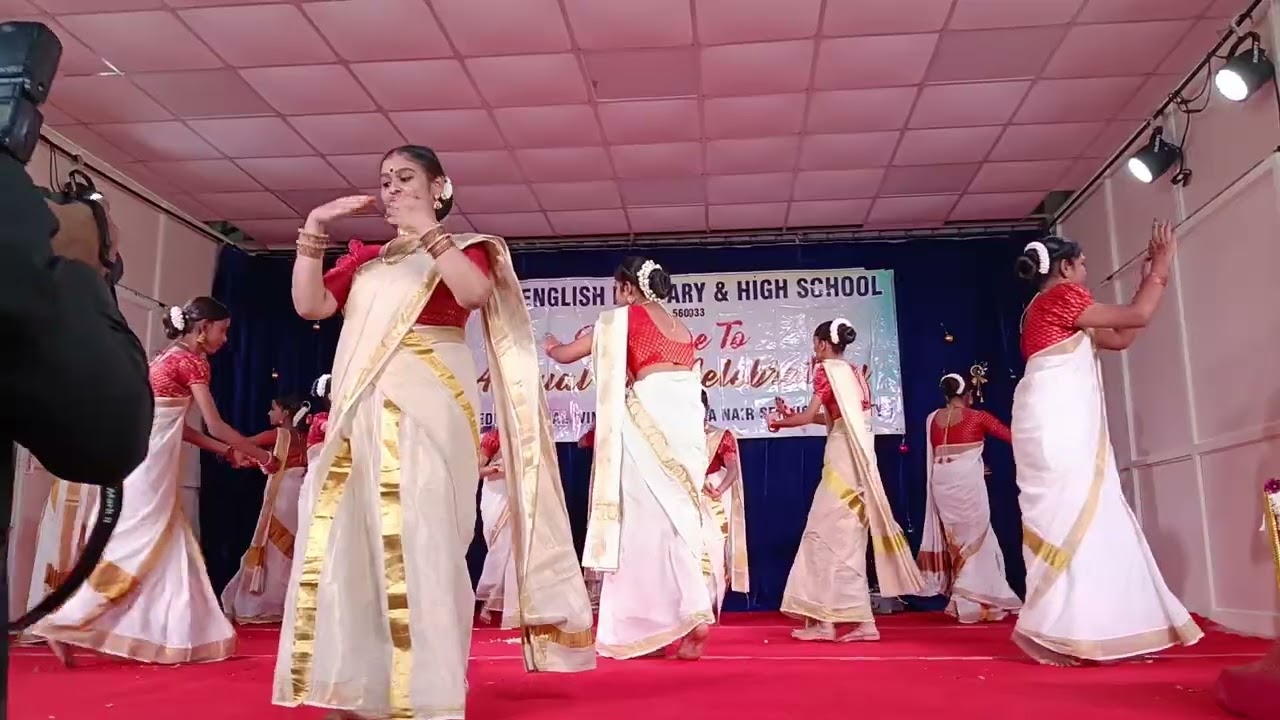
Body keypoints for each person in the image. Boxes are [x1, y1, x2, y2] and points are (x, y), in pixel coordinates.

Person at [279, 145, 593, 720]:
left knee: (422, 541)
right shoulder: (367, 262)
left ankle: (423, 692)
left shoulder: (466, 250)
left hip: (430, 411)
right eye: (385, 180)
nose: (393, 188)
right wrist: (314, 228)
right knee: (356, 545)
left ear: (439, 187)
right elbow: (310, 305)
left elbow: (474, 295)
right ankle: (358, 687)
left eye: (406, 178)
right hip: (364, 416)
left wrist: (429, 233)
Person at [30, 297, 276, 664]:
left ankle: (180, 636)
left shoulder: (164, 357)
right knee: (134, 546)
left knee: (173, 550)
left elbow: (179, 427)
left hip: (140, 464)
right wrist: (263, 457)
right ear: (202, 328)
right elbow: (215, 424)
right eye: (222, 330)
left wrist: (226, 452)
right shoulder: (192, 361)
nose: (225, 339)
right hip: (148, 471)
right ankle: (62, 620)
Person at [1010, 226, 1201, 665]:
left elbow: (1119, 337)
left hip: (1049, 423)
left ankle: (1090, 631)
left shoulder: (1041, 308)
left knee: (1090, 515)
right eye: (1081, 265)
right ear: (1064, 268)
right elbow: (1136, 317)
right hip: (1058, 423)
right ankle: (1067, 629)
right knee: (1082, 513)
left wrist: (1144, 282)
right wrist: (1162, 269)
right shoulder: (1063, 297)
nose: (1086, 273)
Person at [544, 257, 717, 660]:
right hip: (684, 426)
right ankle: (688, 614)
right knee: (678, 526)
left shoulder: (625, 319)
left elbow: (568, 355)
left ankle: (656, 625)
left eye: (616, 290)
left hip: (649, 421)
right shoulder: (682, 328)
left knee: (643, 524)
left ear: (627, 289)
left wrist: (550, 344)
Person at [766, 319, 923, 642]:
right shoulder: (854, 374)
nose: (815, 350)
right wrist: (789, 418)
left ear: (823, 344)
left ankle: (826, 623)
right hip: (860, 465)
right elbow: (835, 417)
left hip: (841, 463)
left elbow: (811, 417)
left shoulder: (826, 370)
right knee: (846, 543)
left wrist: (780, 422)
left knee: (822, 536)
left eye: (814, 344)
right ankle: (862, 622)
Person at [916, 372, 1021, 624]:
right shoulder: (977, 417)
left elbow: (944, 455)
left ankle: (982, 603)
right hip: (966, 487)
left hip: (942, 485)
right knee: (978, 542)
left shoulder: (932, 420)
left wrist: (974, 462)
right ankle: (970, 602)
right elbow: (1011, 437)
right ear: (967, 394)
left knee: (961, 543)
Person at [221, 395, 312, 624]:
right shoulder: (307, 436)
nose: (269, 414)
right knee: (292, 548)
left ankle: (262, 604)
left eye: (273, 409)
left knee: (272, 549)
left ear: (285, 414)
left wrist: (228, 451)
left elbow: (244, 443)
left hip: (282, 496)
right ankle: (288, 603)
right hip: (301, 494)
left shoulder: (277, 435)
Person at [700, 390, 748, 614]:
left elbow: (732, 469)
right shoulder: (673, 437)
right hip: (684, 497)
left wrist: (718, 489)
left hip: (712, 500)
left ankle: (710, 607)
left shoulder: (719, 436)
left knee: (713, 548)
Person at [475, 427, 516, 626]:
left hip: (514, 500)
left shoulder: (525, 438)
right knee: (498, 550)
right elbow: (476, 471)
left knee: (509, 552)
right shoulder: (493, 438)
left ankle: (497, 604)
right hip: (495, 500)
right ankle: (489, 598)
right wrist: (497, 469)